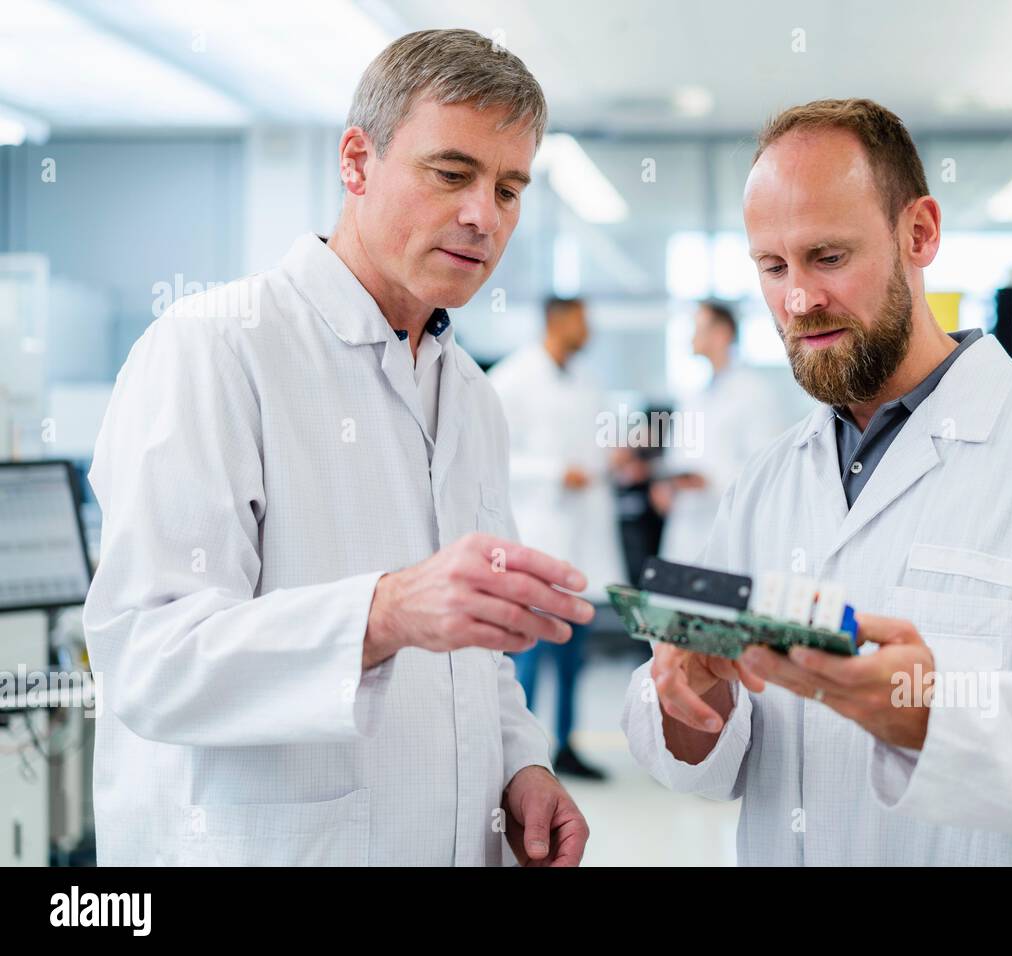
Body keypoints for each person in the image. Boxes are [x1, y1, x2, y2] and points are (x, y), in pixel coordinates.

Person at [622, 98, 1012, 865]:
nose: (798, 299)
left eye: (828, 257)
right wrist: (692, 696)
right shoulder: (768, 480)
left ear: (918, 234)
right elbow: (704, 753)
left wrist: (929, 715)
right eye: (773, 266)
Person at [84, 29, 593, 867]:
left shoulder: (472, 396)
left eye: (510, 188)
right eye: (452, 173)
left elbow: (475, 659)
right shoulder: (215, 349)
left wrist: (521, 764)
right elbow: (149, 659)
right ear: (357, 162)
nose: (483, 215)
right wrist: (383, 613)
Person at [488, 297, 626, 780]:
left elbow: (595, 449)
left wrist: (616, 458)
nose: (588, 330)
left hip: (581, 536)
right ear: (556, 321)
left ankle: (566, 743)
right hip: (537, 532)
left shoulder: (587, 381)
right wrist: (552, 472)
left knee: (573, 649)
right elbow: (492, 456)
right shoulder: (512, 378)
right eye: (581, 321)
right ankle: (522, 754)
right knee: (528, 651)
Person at [651, 300, 788, 563]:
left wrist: (710, 479)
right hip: (686, 529)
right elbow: (677, 457)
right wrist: (667, 485)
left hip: (725, 529)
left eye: (698, 327)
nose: (692, 336)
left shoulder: (753, 392)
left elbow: (768, 467)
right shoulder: (693, 396)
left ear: (722, 333)